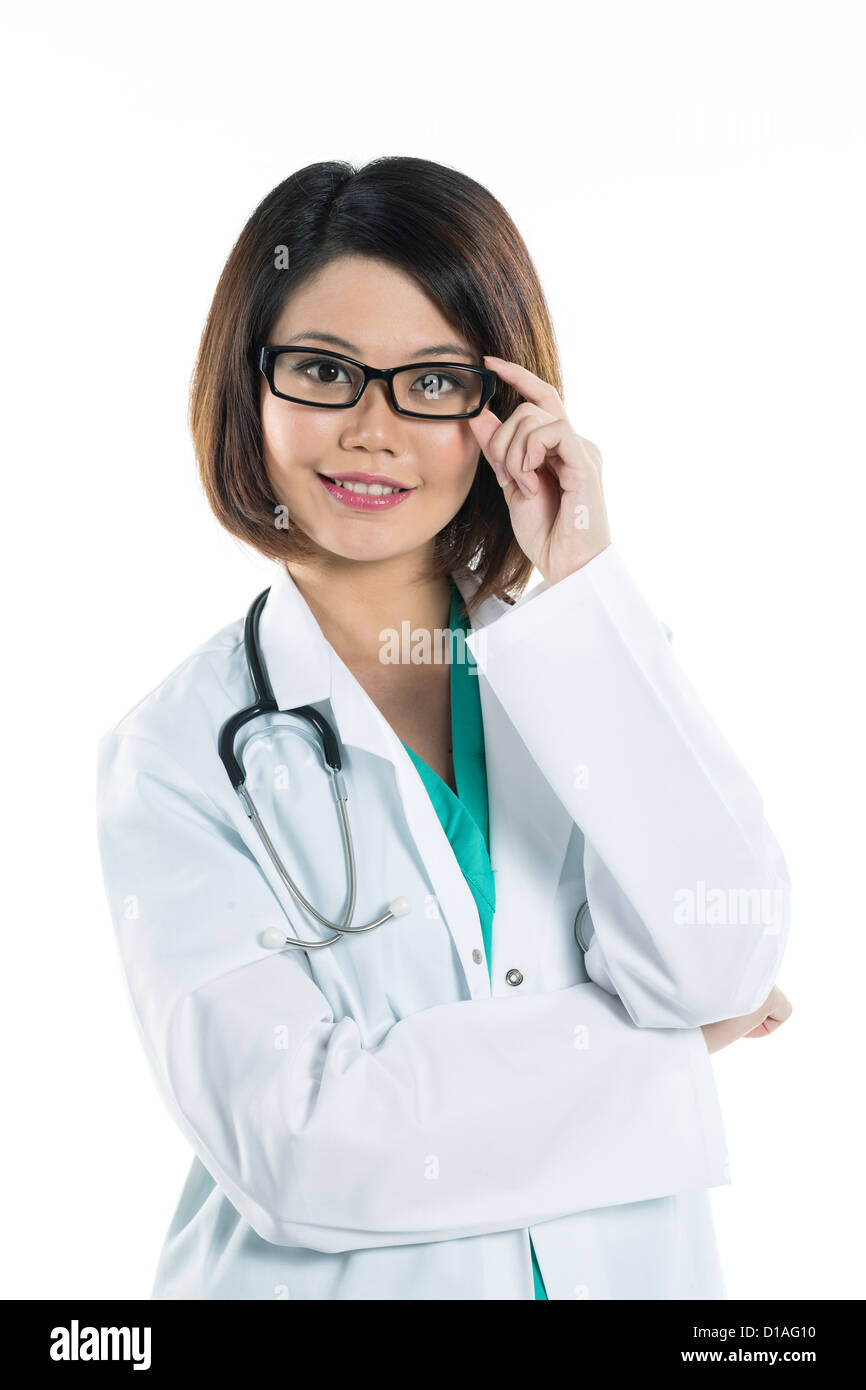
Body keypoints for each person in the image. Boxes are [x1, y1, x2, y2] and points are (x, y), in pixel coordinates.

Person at [95, 156, 792, 1301]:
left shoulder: (589, 664)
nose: (372, 431)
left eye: (430, 382)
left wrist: (582, 585)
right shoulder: (175, 754)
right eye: (323, 371)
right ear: (248, 387)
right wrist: (661, 1050)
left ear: (503, 409)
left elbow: (721, 957)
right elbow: (303, 1143)